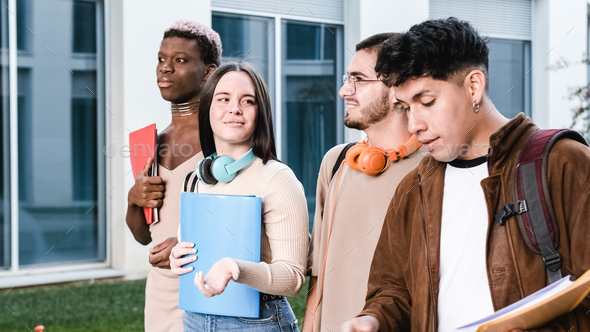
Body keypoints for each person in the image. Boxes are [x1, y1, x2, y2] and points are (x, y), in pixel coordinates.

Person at [341, 17, 590, 332]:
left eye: (427, 101)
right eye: (405, 107)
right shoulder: (413, 188)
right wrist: (372, 319)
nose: (414, 125)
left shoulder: (563, 162)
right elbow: (392, 289)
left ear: (474, 86)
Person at [169, 62, 308, 332]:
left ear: (261, 113)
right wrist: (179, 257)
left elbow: (292, 278)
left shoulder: (277, 178)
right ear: (208, 108)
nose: (235, 108)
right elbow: (193, 248)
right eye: (224, 99)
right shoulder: (196, 178)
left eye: (248, 101)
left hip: (258, 322)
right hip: (196, 316)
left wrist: (235, 268)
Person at [302, 33, 424, 332]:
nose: (345, 90)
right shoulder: (337, 161)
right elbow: (318, 277)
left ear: (397, 88)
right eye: (348, 78)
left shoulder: (433, 171)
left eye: (358, 79)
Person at [125, 20, 221, 332]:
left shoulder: (222, 139)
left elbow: (246, 224)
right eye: (161, 59)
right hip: (159, 297)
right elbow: (143, 237)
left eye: (180, 60)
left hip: (209, 289)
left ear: (208, 70)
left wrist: (188, 242)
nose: (165, 69)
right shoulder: (147, 142)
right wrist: (132, 200)